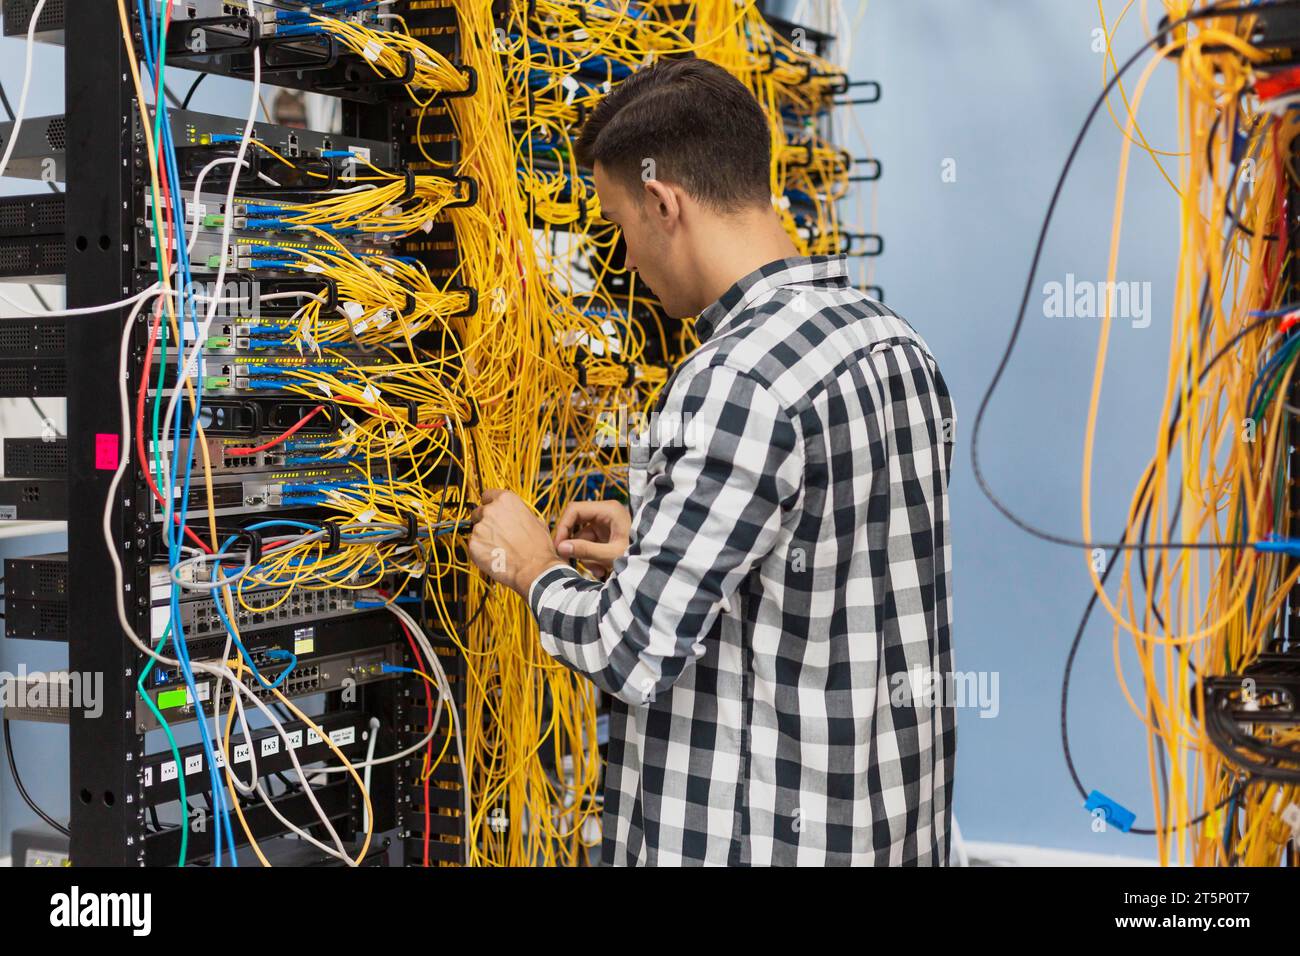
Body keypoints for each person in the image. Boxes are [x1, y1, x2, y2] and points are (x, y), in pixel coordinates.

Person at [468, 57, 955, 866]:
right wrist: (658, 543)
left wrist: (525, 565)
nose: (622, 260)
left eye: (618, 226)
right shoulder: (892, 341)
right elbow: (821, 571)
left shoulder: (734, 380)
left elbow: (629, 652)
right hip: (887, 829)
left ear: (663, 203)